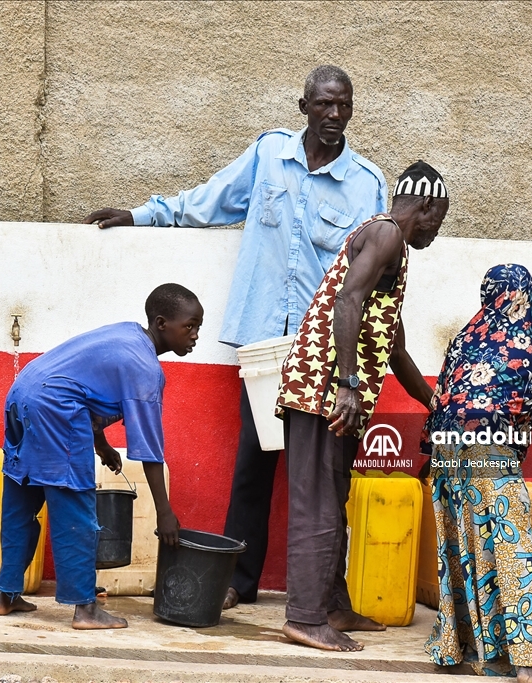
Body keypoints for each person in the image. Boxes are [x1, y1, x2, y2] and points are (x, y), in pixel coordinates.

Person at [82, 65, 387, 610]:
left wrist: (352, 368)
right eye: (323, 105)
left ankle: (326, 596)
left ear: (352, 109)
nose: (333, 115)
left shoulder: (368, 185)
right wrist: (141, 215)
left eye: (343, 105)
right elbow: (211, 199)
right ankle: (238, 582)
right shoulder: (270, 156)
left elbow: (374, 280)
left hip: (321, 350)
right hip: (266, 347)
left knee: (325, 477)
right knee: (254, 465)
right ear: (304, 107)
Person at [276, 161, 449, 652]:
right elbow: (348, 301)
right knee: (318, 508)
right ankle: (305, 618)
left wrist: (432, 403)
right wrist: (347, 384)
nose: (437, 231)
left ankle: (332, 607)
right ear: (428, 208)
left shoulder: (389, 245)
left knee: (334, 501)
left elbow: (393, 347)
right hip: (324, 393)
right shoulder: (387, 234)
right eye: (440, 218)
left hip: (332, 393)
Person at [0, 283, 203, 629]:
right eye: (190, 326)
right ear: (162, 323)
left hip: (23, 392)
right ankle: (85, 609)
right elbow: (149, 450)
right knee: (75, 506)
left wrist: (102, 445)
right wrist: (165, 513)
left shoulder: (127, 334)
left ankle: (7, 595)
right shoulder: (146, 369)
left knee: (22, 497)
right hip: (55, 409)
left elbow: (81, 385)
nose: (195, 335)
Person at [419, 264, 532, 682]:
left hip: (444, 446)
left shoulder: (466, 336)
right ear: (527, 294)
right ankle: (527, 664)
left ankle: (458, 646)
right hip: (489, 444)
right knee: (510, 545)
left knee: (461, 544)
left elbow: (444, 395)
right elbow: (524, 409)